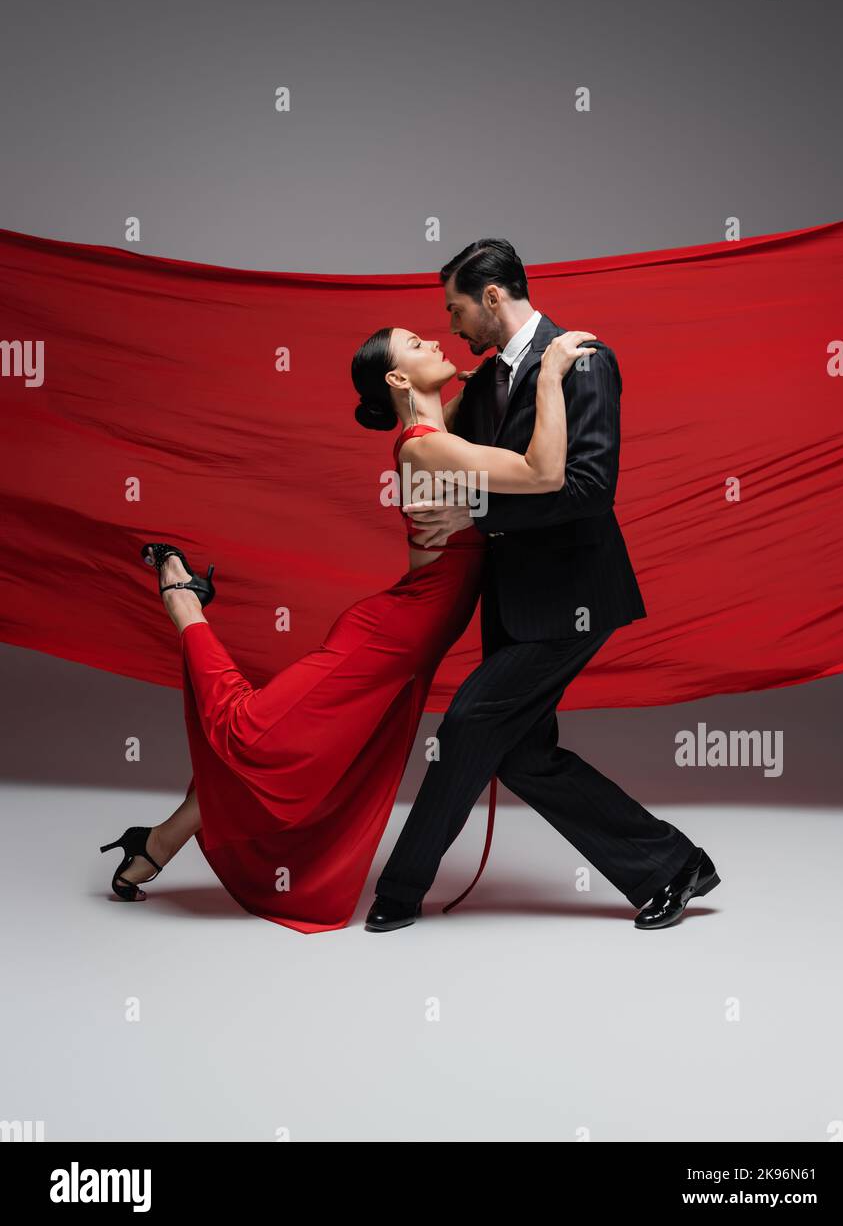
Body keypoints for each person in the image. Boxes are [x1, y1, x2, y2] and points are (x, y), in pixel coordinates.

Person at [99, 322, 596, 933]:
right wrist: (548, 370)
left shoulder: (439, 428)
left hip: (407, 640)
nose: (437, 343)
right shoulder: (422, 445)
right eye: (417, 346)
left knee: (309, 754)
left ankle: (157, 842)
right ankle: (185, 604)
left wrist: (486, 393)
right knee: (254, 736)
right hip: (390, 635)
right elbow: (544, 470)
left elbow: (478, 392)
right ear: (396, 378)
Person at [365, 239, 720, 933]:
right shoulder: (480, 382)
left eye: (456, 308)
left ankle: (399, 890)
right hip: (511, 596)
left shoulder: (582, 359)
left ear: (492, 296)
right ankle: (669, 866)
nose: (452, 325)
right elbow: (447, 467)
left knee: (468, 724)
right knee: (522, 755)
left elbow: (588, 488)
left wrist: (474, 510)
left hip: (573, 594)